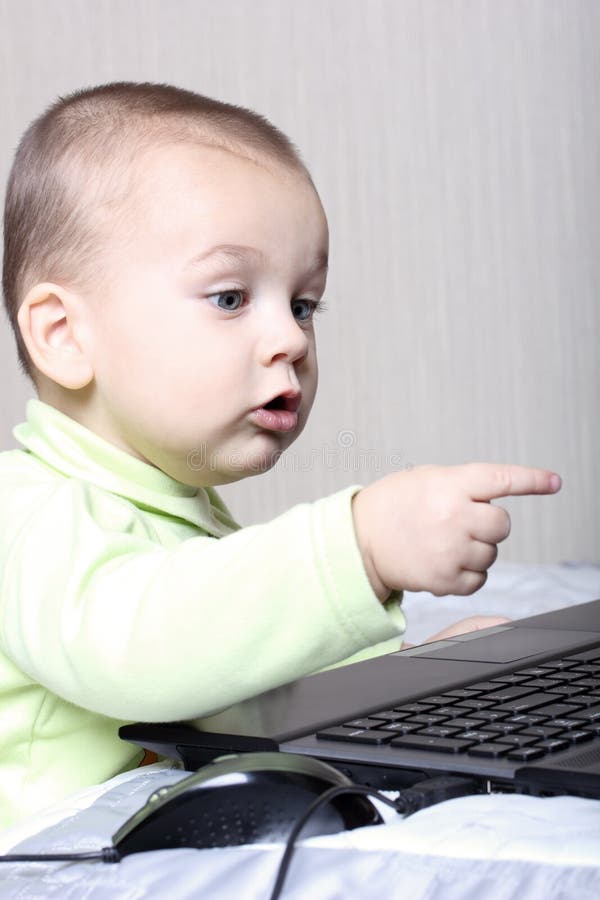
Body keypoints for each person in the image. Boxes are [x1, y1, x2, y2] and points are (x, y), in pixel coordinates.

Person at [0, 82, 561, 829]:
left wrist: (418, 673)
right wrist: (353, 547)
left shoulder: (178, 512)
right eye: (231, 297)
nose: (292, 340)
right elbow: (140, 652)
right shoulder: (28, 510)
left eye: (303, 304)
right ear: (65, 336)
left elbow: (234, 681)